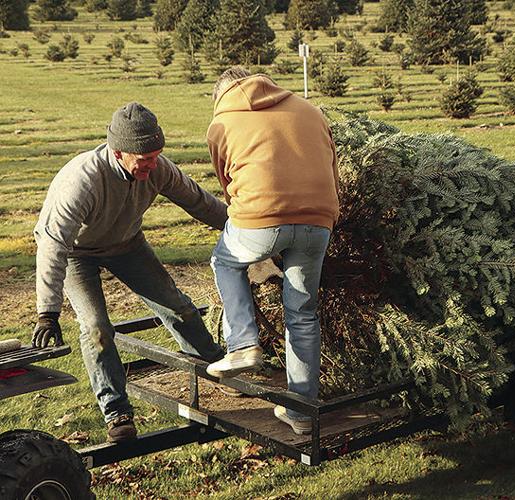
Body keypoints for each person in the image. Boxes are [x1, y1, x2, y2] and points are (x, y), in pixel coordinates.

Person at [32, 102, 228, 442]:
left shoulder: (157, 168)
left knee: (177, 305)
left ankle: (215, 369)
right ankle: (117, 412)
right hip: (77, 253)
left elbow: (199, 202)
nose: (152, 165)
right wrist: (47, 312)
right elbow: (53, 245)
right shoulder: (81, 181)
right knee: (96, 328)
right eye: (144, 159)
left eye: (156, 155)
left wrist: (244, 228)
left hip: (126, 244)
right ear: (118, 151)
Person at [205, 67, 339, 435]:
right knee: (302, 313)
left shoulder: (222, 121)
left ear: (221, 95)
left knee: (225, 260)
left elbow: (228, 182)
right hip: (319, 219)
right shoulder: (310, 110)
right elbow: (332, 167)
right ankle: (301, 413)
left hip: (261, 216)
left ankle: (244, 344)